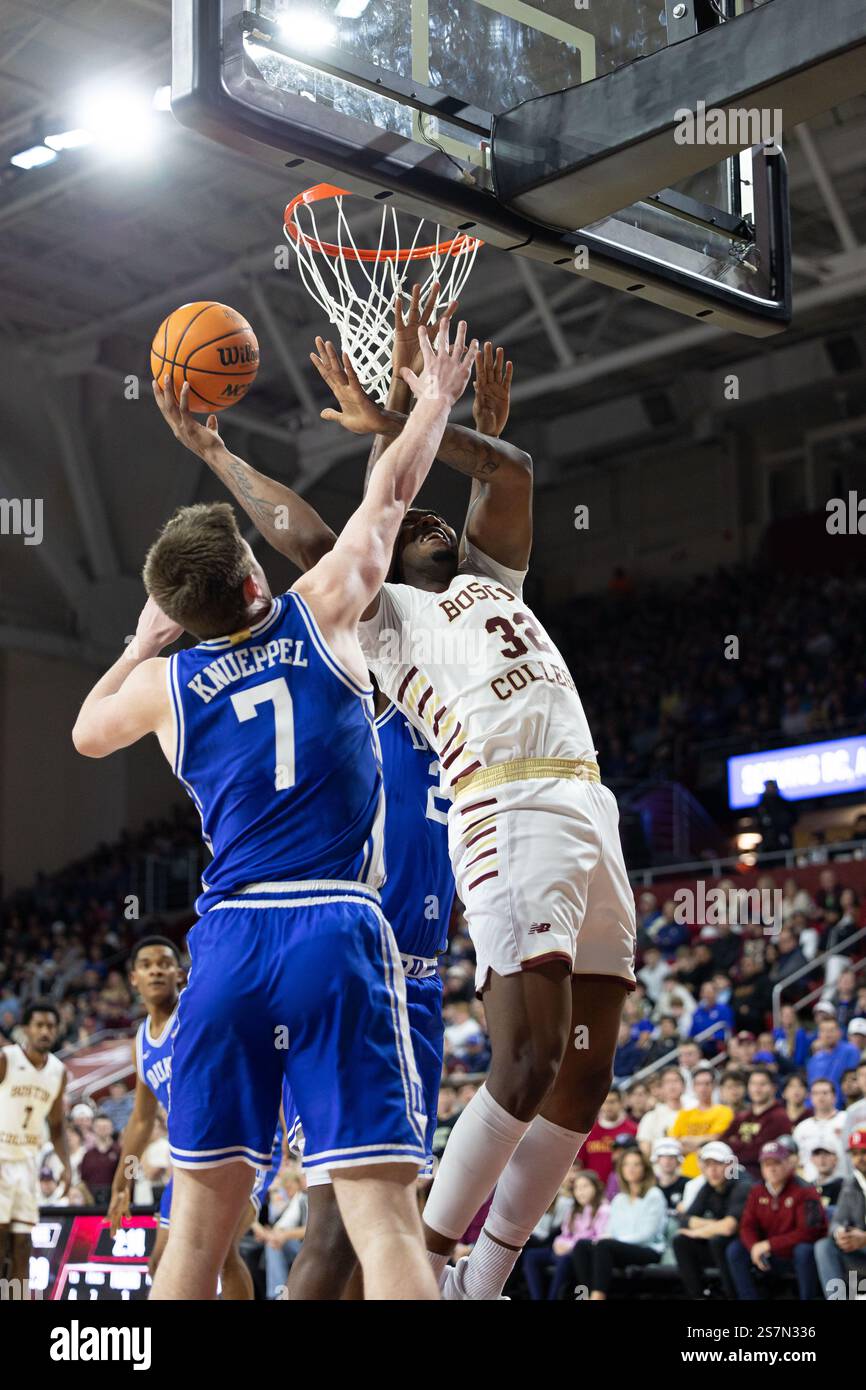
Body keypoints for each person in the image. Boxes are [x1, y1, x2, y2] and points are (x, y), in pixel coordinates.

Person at [207, 317, 638, 1301]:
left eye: (437, 516)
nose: (425, 520)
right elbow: (306, 534)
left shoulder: (492, 582)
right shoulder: (385, 620)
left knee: (582, 1075)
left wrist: (422, 416)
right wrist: (224, 453)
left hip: (587, 807)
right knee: (524, 1060)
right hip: (504, 806)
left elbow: (514, 471)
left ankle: (482, 1278)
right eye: (408, 522)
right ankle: (439, 1264)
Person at [72, 318, 478, 1300]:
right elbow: (389, 495)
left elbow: (86, 731)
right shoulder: (322, 608)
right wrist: (432, 400)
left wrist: (140, 641)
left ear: (183, 617)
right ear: (255, 577)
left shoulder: (166, 688)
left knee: (196, 1239)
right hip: (333, 925)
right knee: (384, 1222)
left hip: (229, 944)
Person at [107, 936, 259, 1299]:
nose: (156, 969)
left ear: (180, 973)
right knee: (159, 1263)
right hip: (191, 1160)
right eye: (147, 964)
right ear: (134, 978)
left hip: (239, 1144)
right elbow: (142, 1120)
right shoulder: (141, 1041)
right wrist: (121, 1183)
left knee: (219, 1253)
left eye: (165, 963)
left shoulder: (195, 1011)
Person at [0, 1001, 70, 1295]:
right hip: (0, 1158)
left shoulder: (58, 1071)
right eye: (39, 1025)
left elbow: (56, 1125)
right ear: (26, 1029)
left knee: (22, 1242)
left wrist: (66, 1166)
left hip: (26, 1162)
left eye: (50, 1026)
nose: (44, 1031)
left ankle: (15, 1297)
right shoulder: (6, 1058)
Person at [725, 1140, 826, 1300]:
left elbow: (809, 1232)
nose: (771, 1168)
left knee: (804, 1250)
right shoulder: (757, 1190)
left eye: (777, 1163)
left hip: (794, 1252)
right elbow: (747, 1226)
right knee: (735, 1250)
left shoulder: (806, 1190)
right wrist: (753, 1247)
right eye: (766, 1164)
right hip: (768, 1253)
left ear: (788, 1164)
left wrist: (768, 1244)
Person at [570, 1148, 668, 1299]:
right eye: (626, 1165)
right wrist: (608, 1240)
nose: (631, 1169)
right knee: (582, 1245)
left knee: (604, 1245)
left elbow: (647, 1235)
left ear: (645, 1169)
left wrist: (613, 1241)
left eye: (636, 1164)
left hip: (648, 1249)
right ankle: (584, 1296)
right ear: (621, 1169)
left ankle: (597, 1298)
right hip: (618, 1248)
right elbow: (611, 1230)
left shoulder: (654, 1195)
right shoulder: (619, 1199)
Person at [672, 1141, 751, 1300]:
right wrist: (714, 1225)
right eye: (707, 1164)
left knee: (718, 1241)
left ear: (730, 1164)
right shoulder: (710, 1183)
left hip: (747, 1245)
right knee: (681, 1240)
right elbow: (684, 1219)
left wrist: (700, 1231)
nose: (712, 1170)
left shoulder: (742, 1184)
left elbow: (730, 1227)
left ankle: (731, 1295)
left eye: (717, 1164)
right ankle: (699, 1296)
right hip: (722, 1242)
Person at [522, 1169, 609, 1300]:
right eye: (577, 1188)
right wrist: (558, 1244)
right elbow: (565, 1234)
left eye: (585, 1186)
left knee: (564, 1260)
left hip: (581, 1255)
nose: (581, 1192)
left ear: (596, 1187)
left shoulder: (604, 1210)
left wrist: (569, 1246)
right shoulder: (574, 1210)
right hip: (564, 1250)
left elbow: (598, 1238)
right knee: (531, 1256)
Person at [813, 1127, 866, 1300]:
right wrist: (840, 1233)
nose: (860, 1158)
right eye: (855, 1153)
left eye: (864, 1152)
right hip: (859, 1250)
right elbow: (836, 1221)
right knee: (824, 1246)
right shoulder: (850, 1183)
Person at [722, 1067, 792, 1180]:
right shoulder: (743, 1116)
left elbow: (758, 1152)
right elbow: (722, 1142)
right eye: (753, 1084)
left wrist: (735, 1143)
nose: (757, 1089)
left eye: (762, 1084)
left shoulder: (779, 1117)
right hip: (734, 1172)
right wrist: (745, 1146)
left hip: (760, 1176)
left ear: (774, 1088)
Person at [669, 1066, 734, 1179]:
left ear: (714, 1086)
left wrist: (686, 1140)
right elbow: (675, 1145)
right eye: (699, 1084)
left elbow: (715, 1139)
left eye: (707, 1084)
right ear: (693, 1087)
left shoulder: (724, 1111)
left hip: (714, 1174)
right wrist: (703, 1143)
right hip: (686, 1173)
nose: (703, 1088)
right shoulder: (684, 1114)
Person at [582, 1090, 638, 1193]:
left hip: (623, 1190)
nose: (608, 1106)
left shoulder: (632, 1129)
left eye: (613, 1102)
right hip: (593, 1192)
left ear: (621, 1103)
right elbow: (581, 1161)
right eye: (605, 1102)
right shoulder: (588, 1131)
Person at [793, 1078, 846, 1180]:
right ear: (810, 1098)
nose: (820, 1097)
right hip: (810, 1184)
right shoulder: (802, 1127)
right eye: (816, 1093)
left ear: (834, 1096)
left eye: (825, 1093)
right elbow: (796, 1160)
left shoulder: (846, 1120)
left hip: (843, 1181)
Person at [806, 1016, 861, 1106]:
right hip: (818, 1110)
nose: (828, 1034)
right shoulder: (813, 1061)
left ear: (839, 1033)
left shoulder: (850, 1051)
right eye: (824, 1030)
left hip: (845, 1107)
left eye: (831, 1030)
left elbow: (853, 1083)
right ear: (819, 1034)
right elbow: (812, 1089)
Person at [636, 1066, 685, 1157]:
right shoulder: (651, 1116)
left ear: (683, 1085)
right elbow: (645, 1151)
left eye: (676, 1081)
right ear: (661, 1088)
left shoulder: (694, 1109)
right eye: (668, 1082)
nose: (672, 1085)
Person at [652, 1137, 688, 1209]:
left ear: (678, 1161)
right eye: (663, 1157)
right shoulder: (649, 1185)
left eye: (671, 1157)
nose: (667, 1161)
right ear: (657, 1160)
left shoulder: (689, 1184)